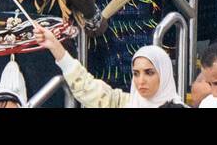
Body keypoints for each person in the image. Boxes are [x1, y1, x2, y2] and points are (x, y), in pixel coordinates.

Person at [37, 27, 181, 106]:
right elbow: (87, 88)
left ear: (164, 74)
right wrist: (55, 47)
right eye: (136, 73)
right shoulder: (124, 103)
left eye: (149, 73)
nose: (141, 81)